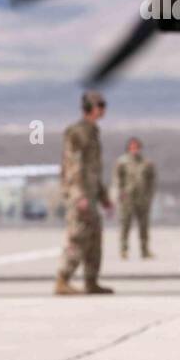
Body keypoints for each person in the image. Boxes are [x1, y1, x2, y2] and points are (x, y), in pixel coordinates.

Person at [55, 90, 113, 295]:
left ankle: (91, 281)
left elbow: (93, 171)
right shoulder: (78, 132)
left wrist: (104, 197)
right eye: (100, 105)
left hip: (90, 194)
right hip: (79, 195)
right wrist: (78, 195)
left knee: (94, 238)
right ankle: (63, 279)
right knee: (78, 236)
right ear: (90, 108)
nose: (104, 109)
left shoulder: (93, 132)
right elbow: (74, 166)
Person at [113, 137, 157, 259]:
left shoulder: (147, 163)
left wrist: (150, 195)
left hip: (142, 198)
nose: (135, 150)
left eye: (137, 147)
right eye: (132, 147)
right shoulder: (122, 162)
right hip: (127, 198)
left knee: (144, 226)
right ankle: (123, 250)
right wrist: (119, 194)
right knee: (125, 225)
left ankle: (145, 250)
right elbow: (117, 179)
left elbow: (152, 181)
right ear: (128, 148)